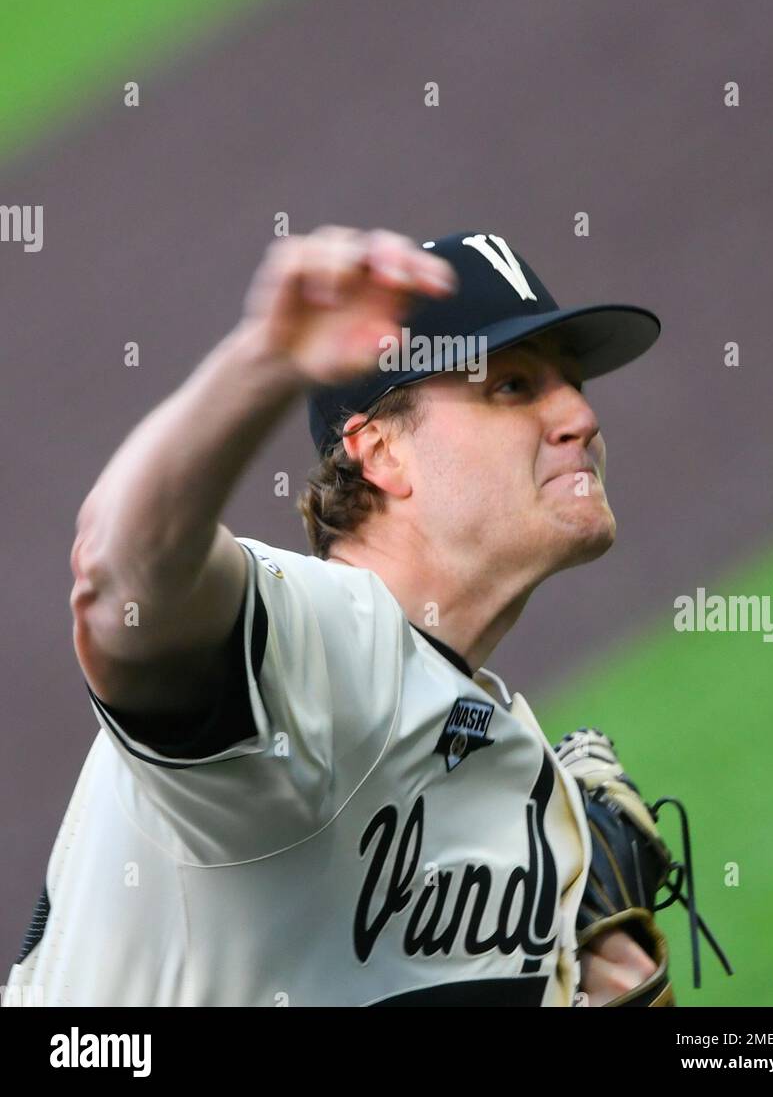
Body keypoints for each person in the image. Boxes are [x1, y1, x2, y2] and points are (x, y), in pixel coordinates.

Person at [5, 226, 663, 1007]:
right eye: (512, 387)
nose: (580, 417)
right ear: (380, 452)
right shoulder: (315, 647)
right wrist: (266, 361)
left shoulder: (519, 778)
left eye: (573, 382)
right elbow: (121, 578)